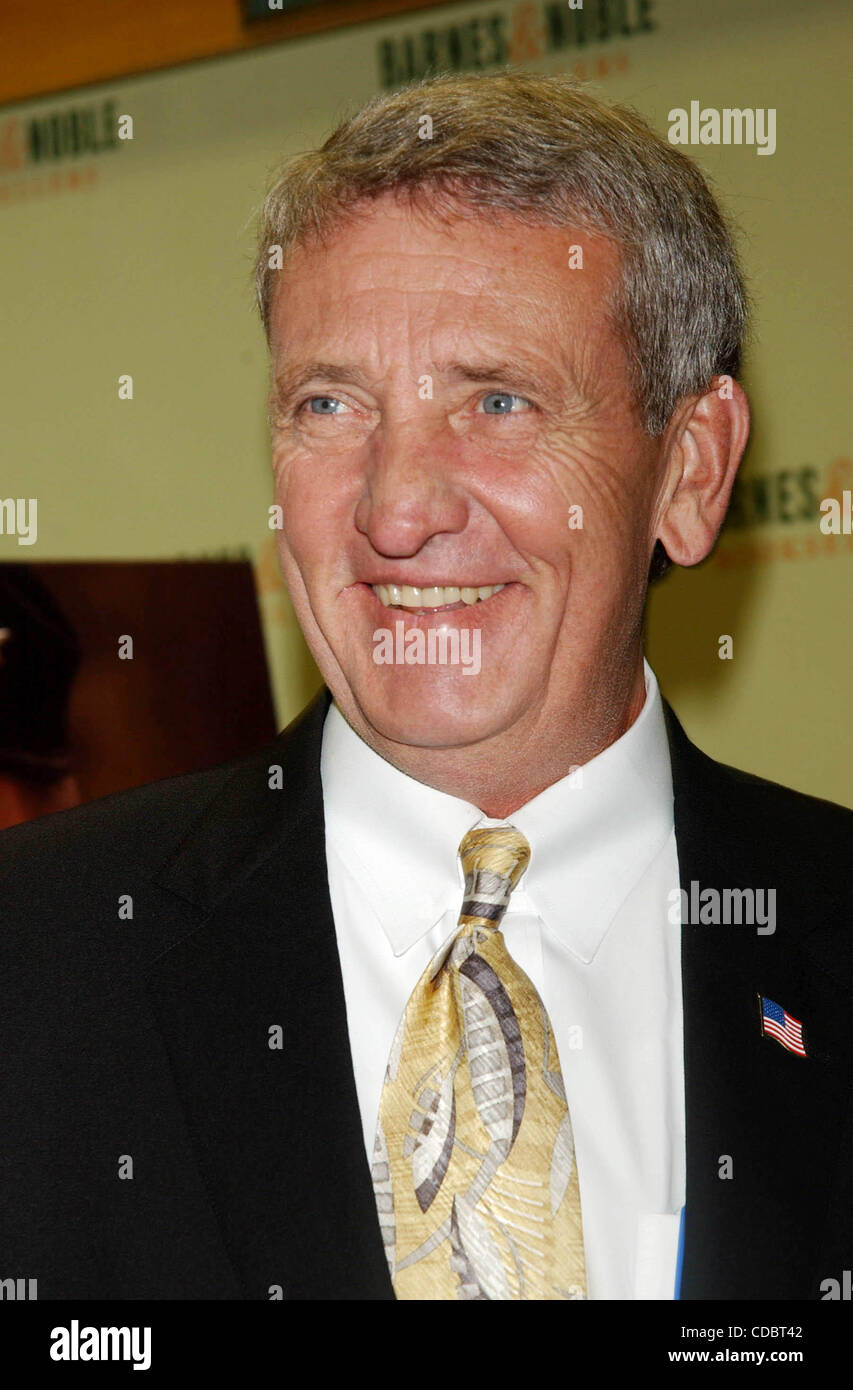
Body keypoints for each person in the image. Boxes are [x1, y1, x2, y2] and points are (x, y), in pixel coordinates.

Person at [1, 71, 850, 1302]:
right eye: (329, 404)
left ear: (692, 469)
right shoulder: (35, 968)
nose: (395, 507)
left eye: (497, 401)